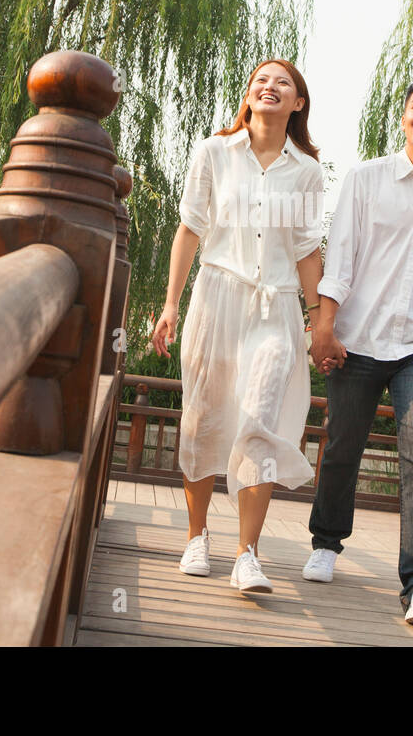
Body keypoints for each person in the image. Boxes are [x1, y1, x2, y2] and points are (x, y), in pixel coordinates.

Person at [303, 72, 413, 626]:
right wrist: (324, 327)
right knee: (343, 444)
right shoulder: (366, 179)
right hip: (358, 337)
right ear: (404, 117)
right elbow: (343, 258)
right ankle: (327, 539)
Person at [150, 59, 325, 595]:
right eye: (260, 81)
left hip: (276, 308)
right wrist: (170, 306)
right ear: (248, 96)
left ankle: (248, 553)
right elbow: (189, 230)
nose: (269, 87)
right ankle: (196, 535)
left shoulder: (308, 172)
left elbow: (306, 251)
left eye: (283, 83)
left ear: (298, 103)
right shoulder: (213, 153)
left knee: (262, 421)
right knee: (203, 419)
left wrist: (318, 321)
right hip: (216, 298)